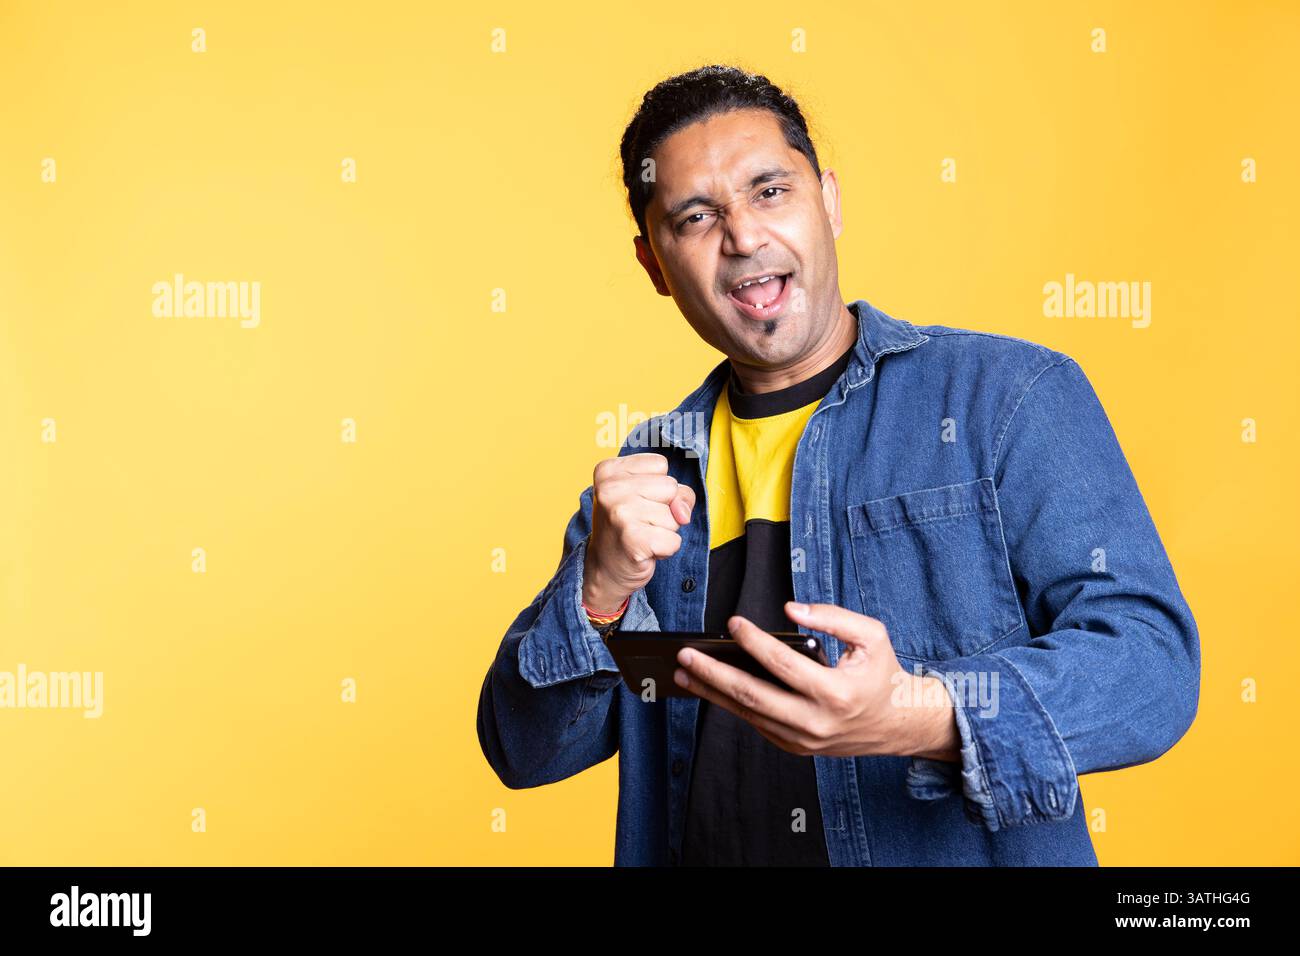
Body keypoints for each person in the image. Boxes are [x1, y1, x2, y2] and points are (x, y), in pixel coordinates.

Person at [476, 64, 1200, 866]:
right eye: (695, 216)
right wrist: (598, 592)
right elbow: (526, 751)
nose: (744, 236)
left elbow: (1151, 666)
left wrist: (921, 714)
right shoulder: (648, 475)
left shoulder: (1009, 397)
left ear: (829, 201)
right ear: (654, 264)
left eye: (770, 192)